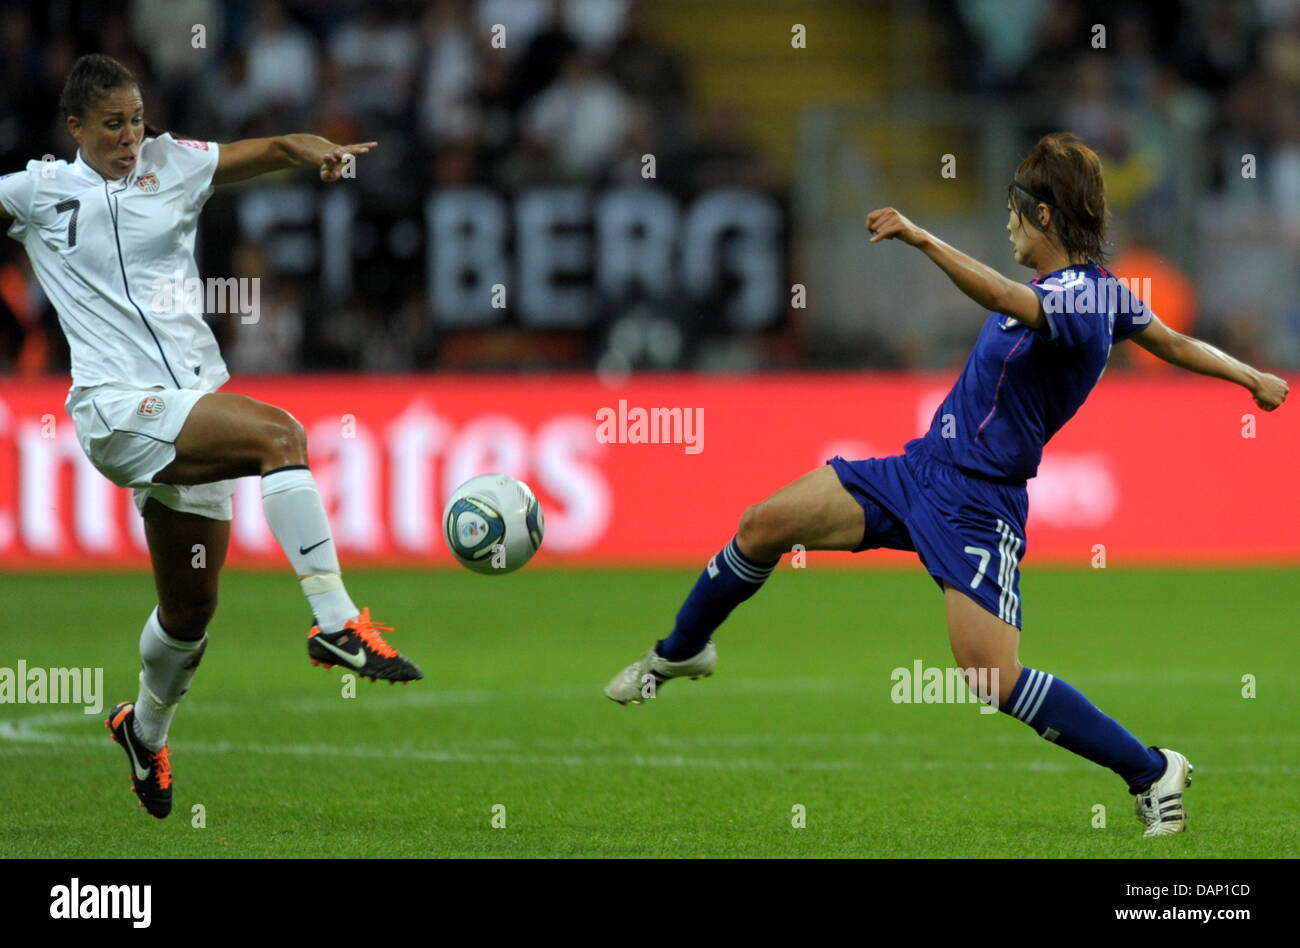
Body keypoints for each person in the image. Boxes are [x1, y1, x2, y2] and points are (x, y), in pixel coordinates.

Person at [604, 132, 1289, 837]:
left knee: (992, 677)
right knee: (762, 524)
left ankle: (1152, 770)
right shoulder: (1099, 294)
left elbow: (1005, 295)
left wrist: (922, 239)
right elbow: (1174, 342)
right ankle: (680, 651)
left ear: (1045, 217)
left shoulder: (1081, 298)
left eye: (1014, 212)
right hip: (920, 471)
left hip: (977, 504)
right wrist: (1252, 377)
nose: (1007, 224)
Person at [0, 54, 422, 820]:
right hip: (115, 408)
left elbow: (268, 150)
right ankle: (336, 624)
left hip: (189, 407)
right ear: (75, 128)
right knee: (280, 435)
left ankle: (143, 730)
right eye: (113, 125)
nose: (131, 138)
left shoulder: (175, 163)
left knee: (189, 611)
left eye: (136, 120)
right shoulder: (36, 192)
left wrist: (315, 148)